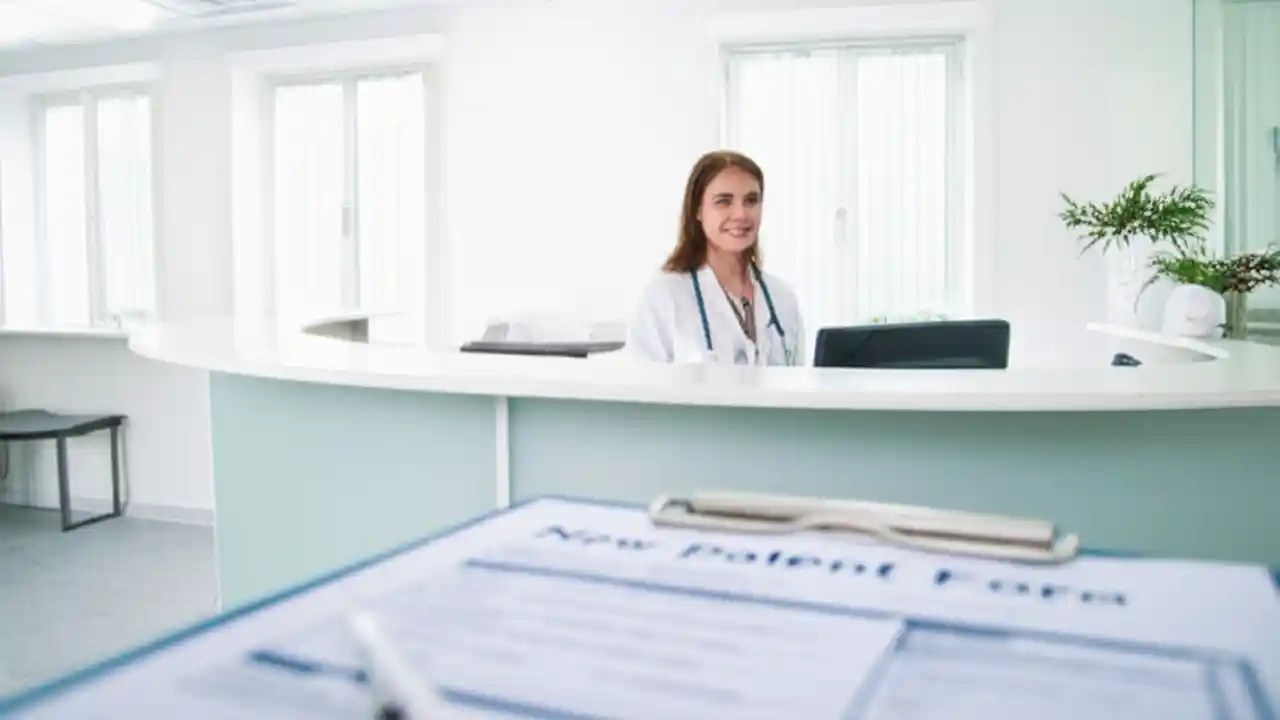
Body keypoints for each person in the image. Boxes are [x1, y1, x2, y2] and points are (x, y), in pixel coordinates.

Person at [626, 151, 804, 366]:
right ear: (698, 211)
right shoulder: (665, 297)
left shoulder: (782, 299)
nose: (741, 214)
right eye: (723, 201)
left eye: (751, 200)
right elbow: (643, 389)